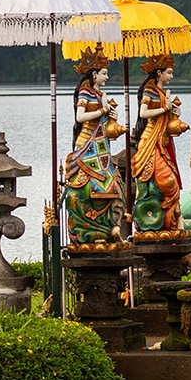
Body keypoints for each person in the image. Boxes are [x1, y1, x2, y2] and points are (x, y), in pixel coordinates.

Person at [63, 45, 125, 245]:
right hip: (87, 143)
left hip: (101, 145)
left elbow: (105, 125)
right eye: (104, 73)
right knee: (87, 184)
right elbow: (80, 117)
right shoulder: (86, 92)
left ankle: (110, 226)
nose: (107, 77)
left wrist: (111, 118)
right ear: (94, 74)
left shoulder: (100, 95)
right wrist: (101, 111)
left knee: (114, 183)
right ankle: (88, 227)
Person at [130, 54, 189, 233]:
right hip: (150, 142)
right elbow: (143, 113)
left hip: (162, 142)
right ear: (159, 72)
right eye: (169, 73)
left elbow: (167, 122)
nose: (171, 76)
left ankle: (171, 220)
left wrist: (175, 113)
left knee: (174, 183)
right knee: (168, 181)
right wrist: (165, 108)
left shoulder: (162, 92)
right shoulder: (150, 90)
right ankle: (157, 218)